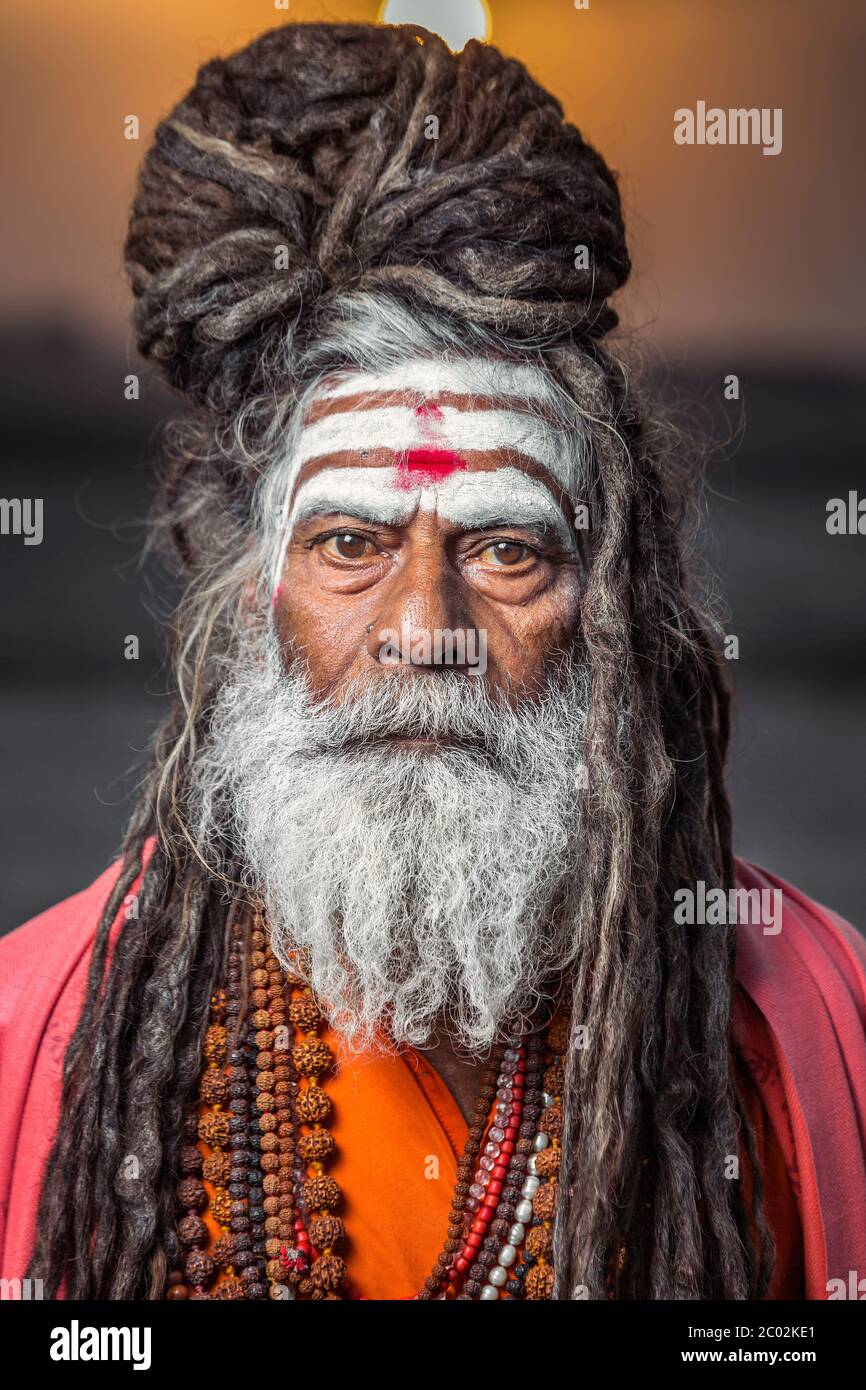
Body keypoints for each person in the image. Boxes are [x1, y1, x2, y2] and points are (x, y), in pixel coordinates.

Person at [1, 21, 864, 1302]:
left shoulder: (816, 1026)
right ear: (255, 598)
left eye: (506, 549)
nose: (424, 627)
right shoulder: (32, 1034)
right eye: (350, 541)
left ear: (609, 607)